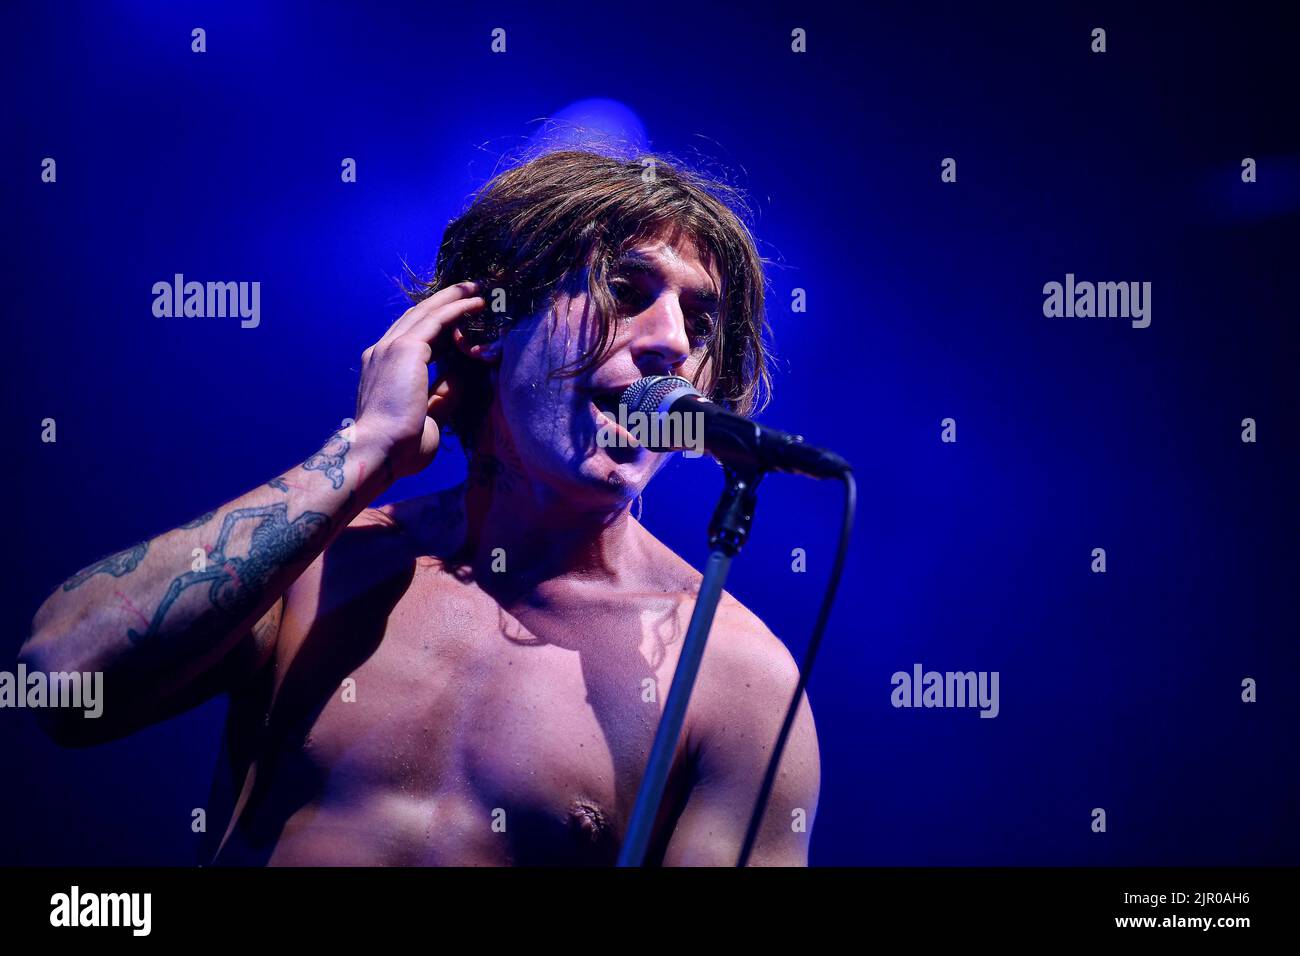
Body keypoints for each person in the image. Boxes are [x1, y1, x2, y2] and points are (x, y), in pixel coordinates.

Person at [21, 148, 820, 866]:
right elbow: (61, 681)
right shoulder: (323, 568)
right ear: (484, 327)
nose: (673, 342)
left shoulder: (734, 677)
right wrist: (364, 453)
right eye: (625, 288)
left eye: (701, 320)